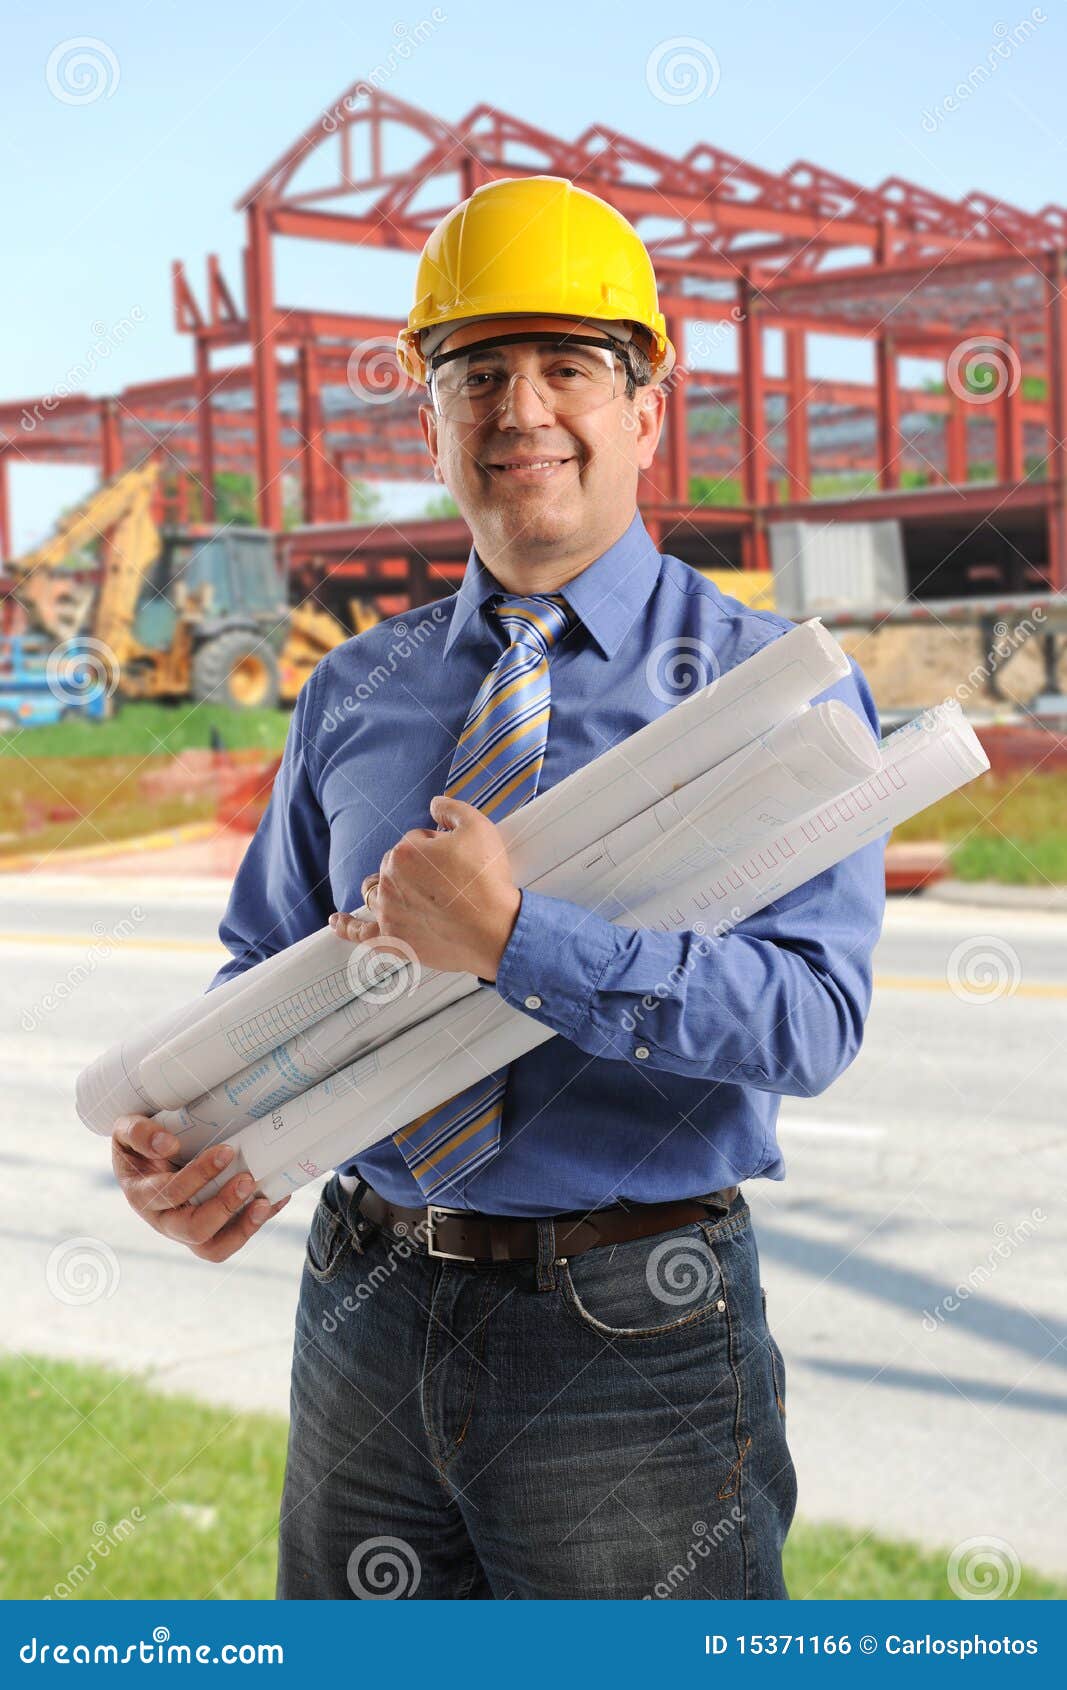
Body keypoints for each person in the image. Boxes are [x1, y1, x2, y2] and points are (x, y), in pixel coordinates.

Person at [111, 175, 887, 1600]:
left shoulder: (772, 695)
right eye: (475, 371)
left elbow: (816, 1019)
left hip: (631, 1339)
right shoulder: (355, 692)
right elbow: (261, 966)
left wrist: (522, 940)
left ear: (648, 405)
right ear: (430, 418)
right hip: (364, 1304)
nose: (517, 407)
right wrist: (211, 1137)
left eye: (567, 365)